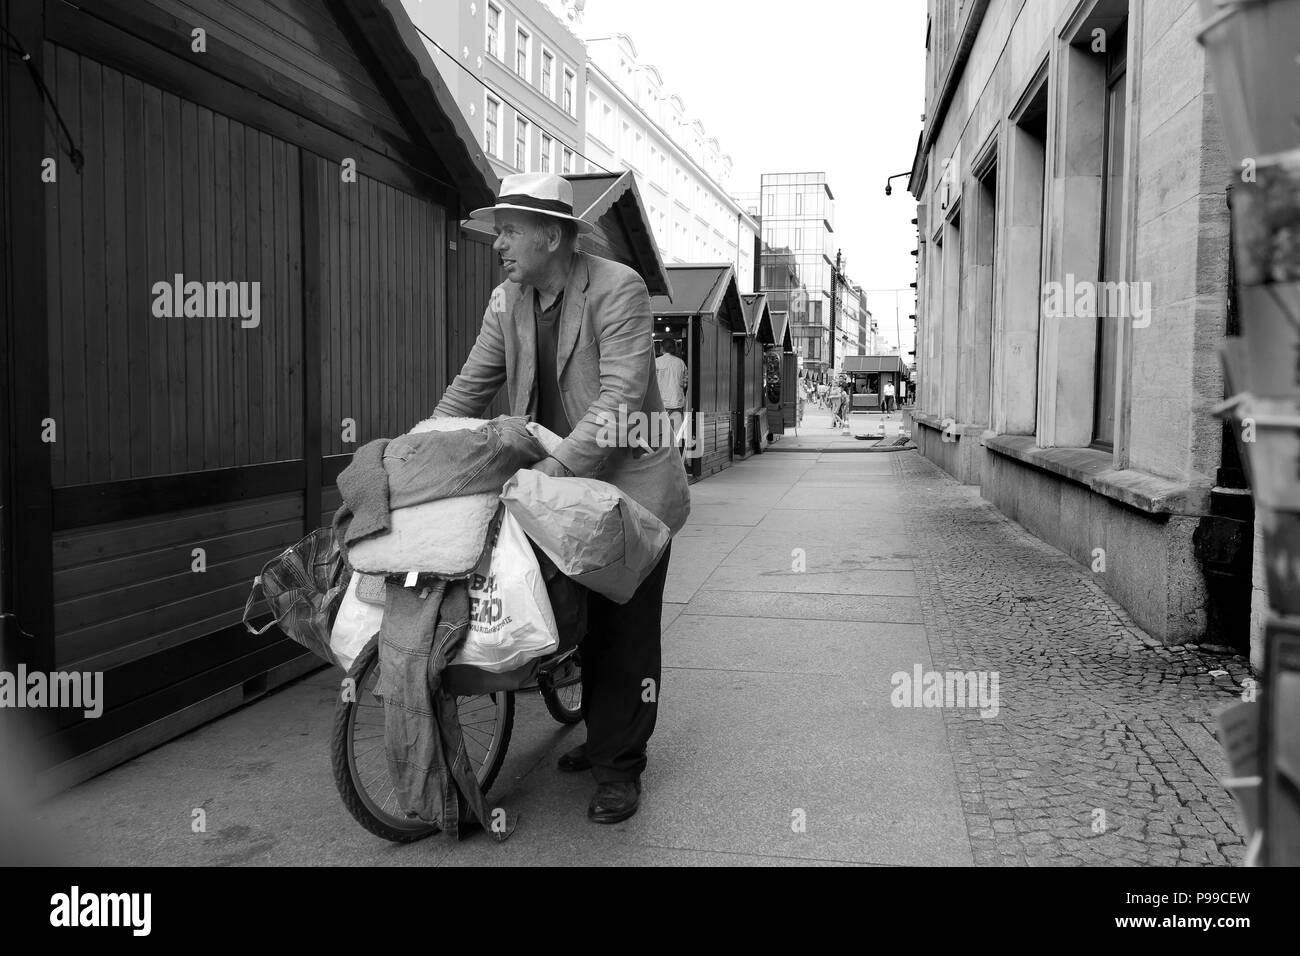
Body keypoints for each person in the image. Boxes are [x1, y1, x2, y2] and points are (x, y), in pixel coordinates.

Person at [432, 173, 691, 824]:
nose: (499, 244)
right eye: (498, 233)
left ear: (552, 236)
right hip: (551, 482)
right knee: (561, 613)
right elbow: (467, 391)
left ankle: (618, 767)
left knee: (621, 628)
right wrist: (421, 452)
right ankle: (599, 727)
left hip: (628, 484)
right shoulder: (507, 303)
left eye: (510, 231)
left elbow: (620, 400)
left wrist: (551, 469)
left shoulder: (617, 288)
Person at [655, 338, 688, 455]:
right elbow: (685, 384)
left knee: (659, 436)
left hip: (660, 406)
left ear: (661, 348)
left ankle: (661, 462)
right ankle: (677, 462)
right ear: (674, 348)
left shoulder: (656, 362)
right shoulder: (680, 363)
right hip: (676, 405)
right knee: (677, 437)